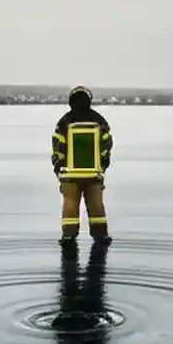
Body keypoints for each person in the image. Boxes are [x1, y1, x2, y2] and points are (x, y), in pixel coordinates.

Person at [51, 85, 113, 244]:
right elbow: (106, 144)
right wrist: (103, 165)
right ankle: (101, 237)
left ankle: (68, 237)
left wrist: (58, 168)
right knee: (96, 208)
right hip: (93, 175)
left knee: (70, 209)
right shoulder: (99, 120)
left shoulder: (64, 121)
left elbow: (58, 147)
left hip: (70, 175)